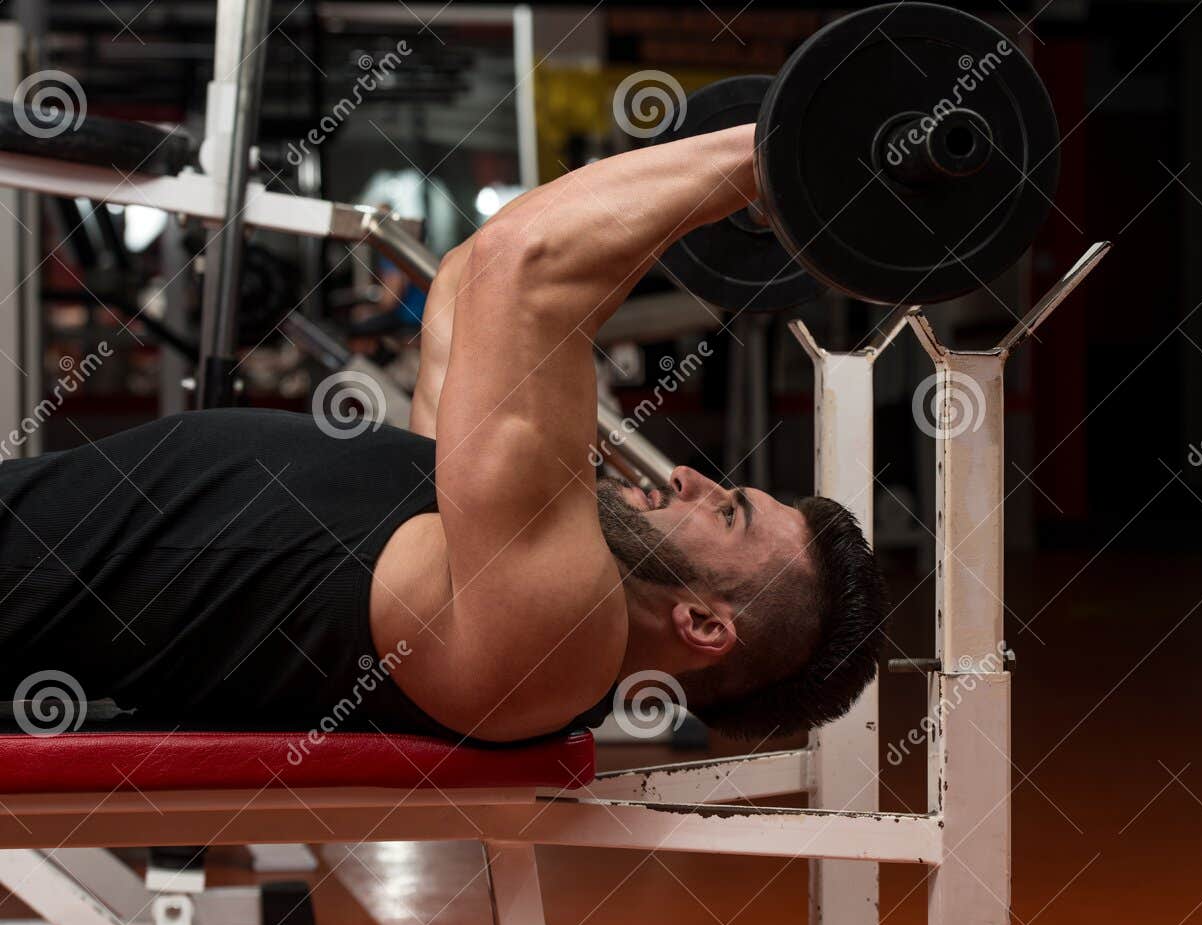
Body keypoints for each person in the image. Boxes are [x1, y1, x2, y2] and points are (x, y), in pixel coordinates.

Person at [0, 125, 886, 743]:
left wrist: (792, 146)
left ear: (701, 625)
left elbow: (527, 267)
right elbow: (470, 283)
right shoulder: (495, 563)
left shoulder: (550, 639)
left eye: (728, 513)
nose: (692, 478)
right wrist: (741, 173)